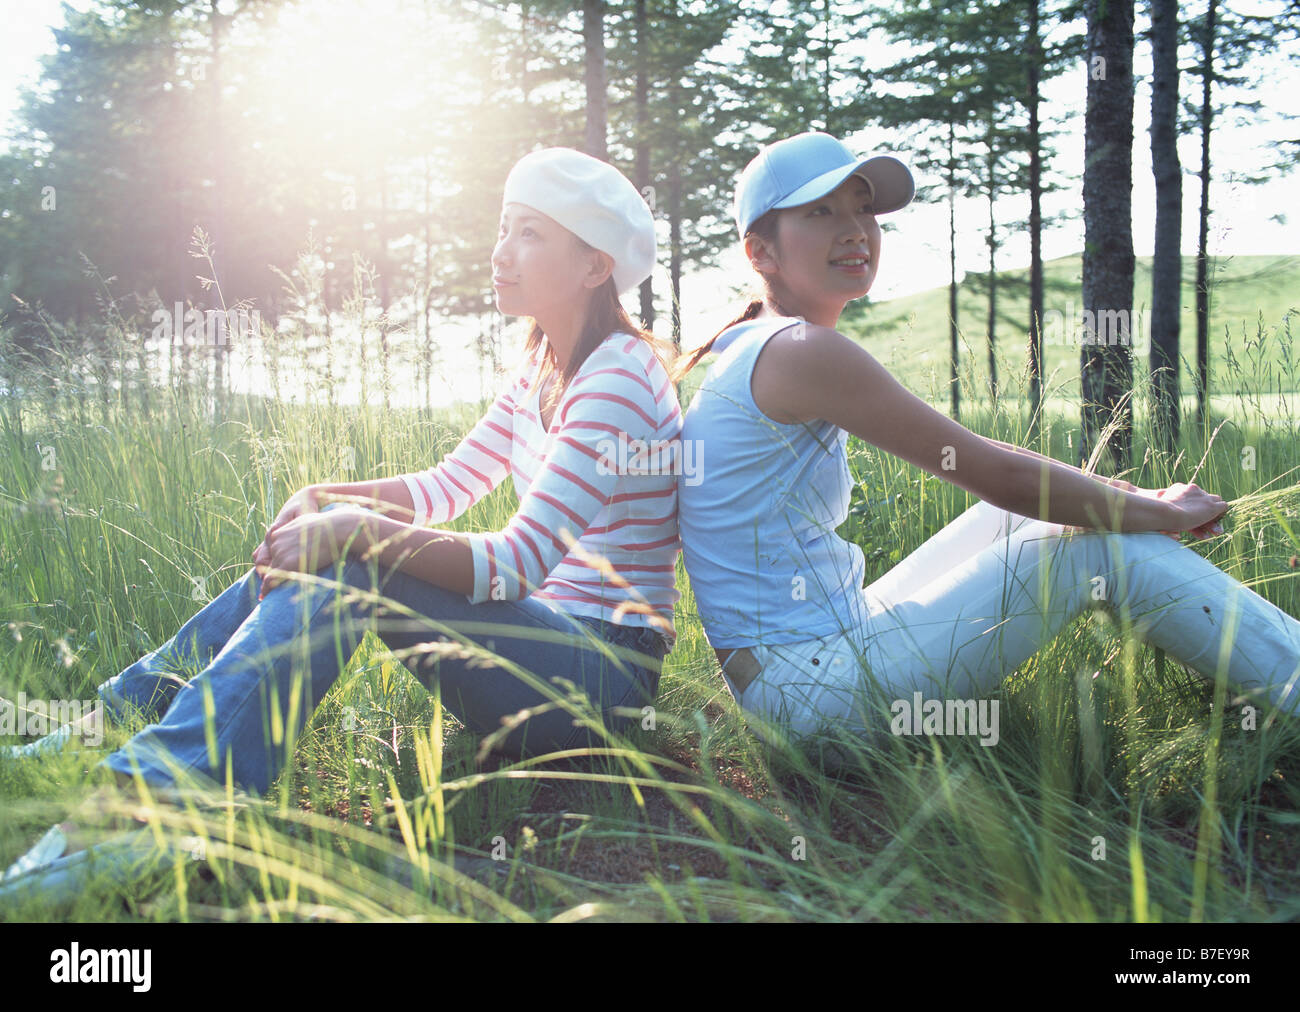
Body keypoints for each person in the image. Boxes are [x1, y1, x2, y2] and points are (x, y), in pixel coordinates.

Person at [1, 147, 681, 894]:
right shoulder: (542, 366)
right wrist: (330, 497)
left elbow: (518, 563)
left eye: (531, 235)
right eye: (504, 227)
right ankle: (113, 726)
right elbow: (448, 484)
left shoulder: (617, 375)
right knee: (333, 546)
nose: (500, 252)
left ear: (593, 268)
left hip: (602, 677)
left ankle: (149, 808)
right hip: (537, 652)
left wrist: (352, 532)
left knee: (355, 560)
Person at [674, 130, 1300, 756]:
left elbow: (1005, 476)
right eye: (821, 211)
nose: (855, 229)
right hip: (812, 696)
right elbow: (1002, 475)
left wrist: (1130, 493)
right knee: (1096, 551)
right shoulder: (801, 352)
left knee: (1019, 520)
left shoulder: (758, 344)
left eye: (863, 207)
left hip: (810, 662)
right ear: (760, 251)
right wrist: (1161, 513)